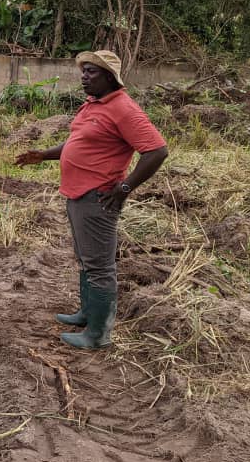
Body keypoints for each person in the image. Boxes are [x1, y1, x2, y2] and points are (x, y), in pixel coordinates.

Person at [15, 50, 168, 349]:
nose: (83, 76)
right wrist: (44, 155)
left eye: (91, 72)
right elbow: (78, 142)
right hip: (77, 193)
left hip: (99, 197)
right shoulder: (93, 105)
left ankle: (98, 333)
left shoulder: (124, 109)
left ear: (109, 77)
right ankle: (87, 313)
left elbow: (157, 151)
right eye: (83, 71)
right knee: (86, 259)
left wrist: (124, 188)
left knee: (99, 265)